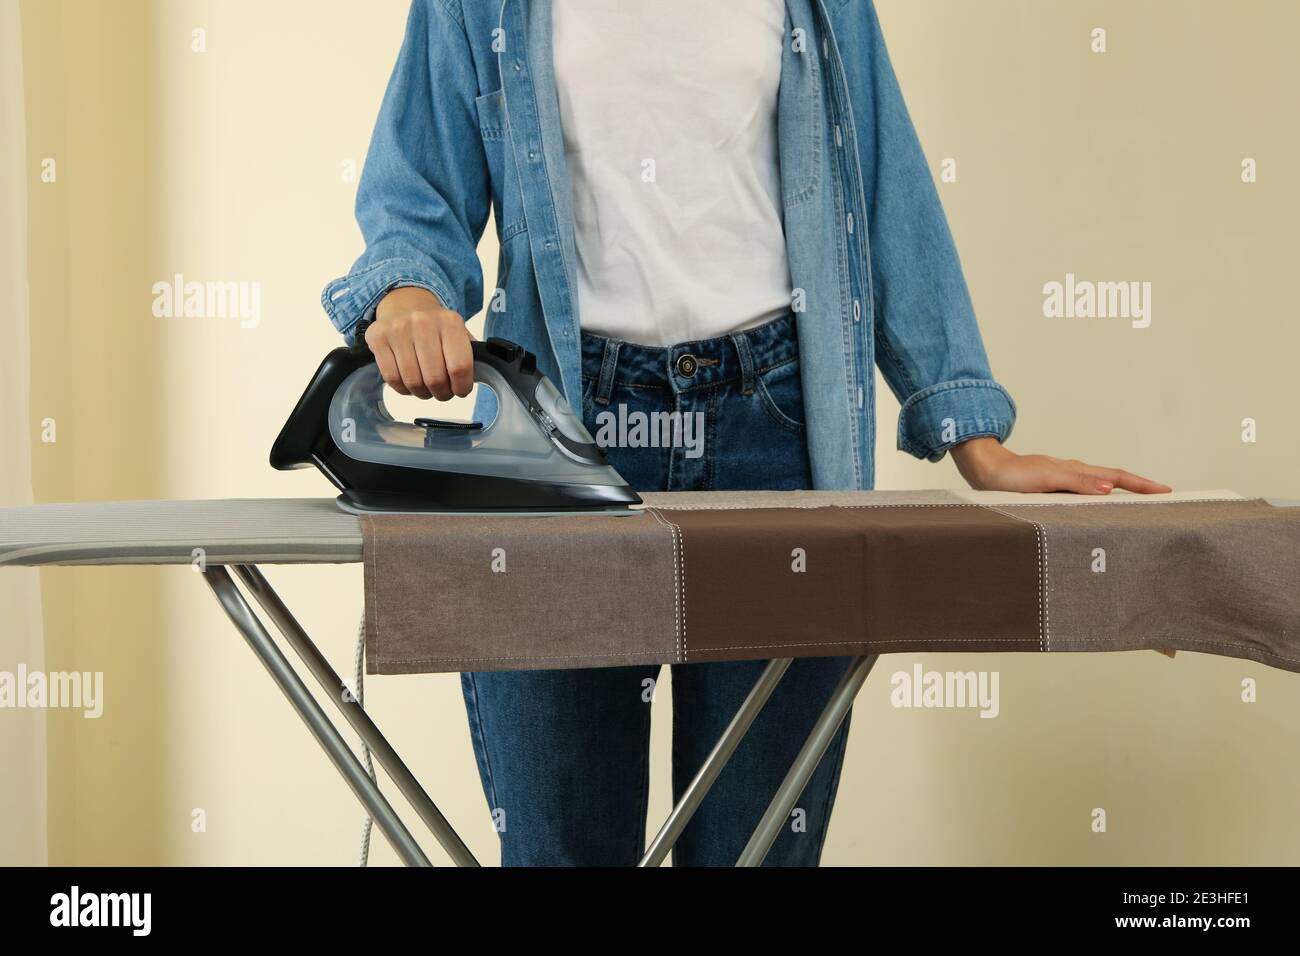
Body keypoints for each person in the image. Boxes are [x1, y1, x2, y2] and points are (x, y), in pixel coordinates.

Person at [322, 0, 1169, 866]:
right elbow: (418, 181)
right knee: (560, 850)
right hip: (563, 438)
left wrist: (971, 433)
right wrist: (409, 295)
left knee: (754, 850)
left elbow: (881, 182)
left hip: (775, 434)